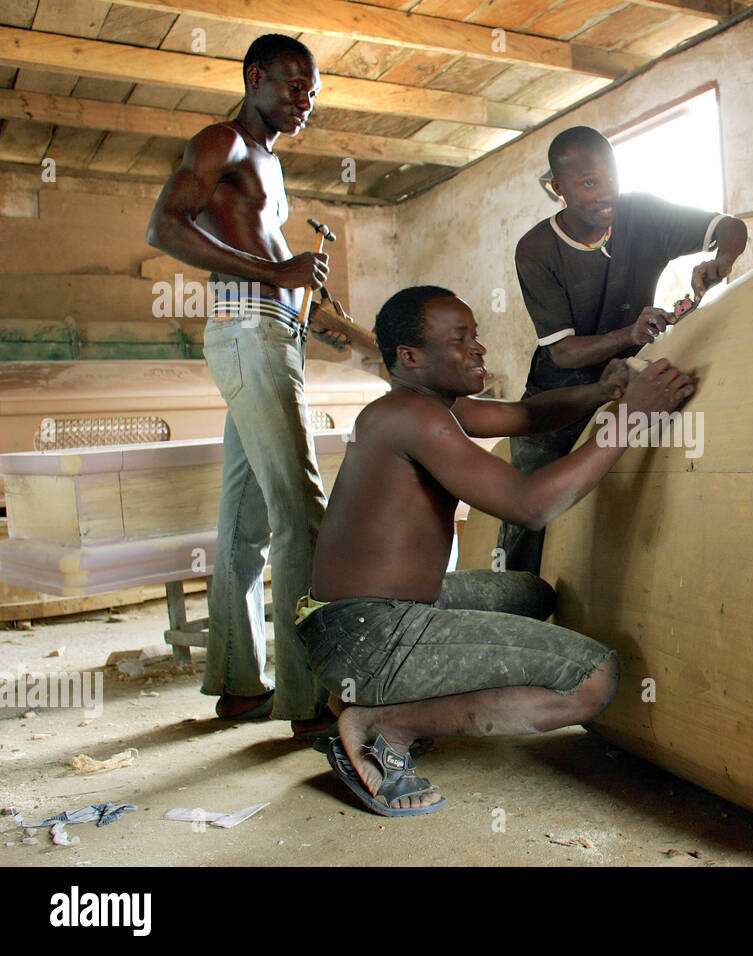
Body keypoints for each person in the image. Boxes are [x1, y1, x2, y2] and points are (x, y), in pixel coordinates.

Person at [297, 285, 696, 815]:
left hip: (361, 620)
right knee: (592, 680)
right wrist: (632, 418)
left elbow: (529, 416)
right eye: (461, 341)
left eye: (476, 336)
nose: (478, 350)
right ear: (410, 358)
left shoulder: (429, 406)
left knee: (529, 594)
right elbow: (530, 505)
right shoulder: (412, 417)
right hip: (369, 634)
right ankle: (381, 727)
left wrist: (603, 390)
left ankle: (367, 699)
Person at [146, 34, 353, 738]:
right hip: (246, 328)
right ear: (255, 76)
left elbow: (267, 257)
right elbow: (164, 228)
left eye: (313, 92)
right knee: (303, 512)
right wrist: (275, 275)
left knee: (247, 524)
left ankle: (240, 686)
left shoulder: (268, 163)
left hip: (270, 327)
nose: (305, 101)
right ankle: (308, 697)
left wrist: (313, 312)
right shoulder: (221, 141)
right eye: (294, 86)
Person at [498, 125, 748, 573]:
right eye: (589, 183)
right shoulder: (536, 249)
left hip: (623, 375)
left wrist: (721, 260)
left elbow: (729, 226)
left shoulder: (642, 214)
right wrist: (630, 335)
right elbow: (564, 354)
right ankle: (517, 599)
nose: (606, 194)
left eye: (611, 178)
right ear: (558, 189)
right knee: (529, 508)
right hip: (559, 394)